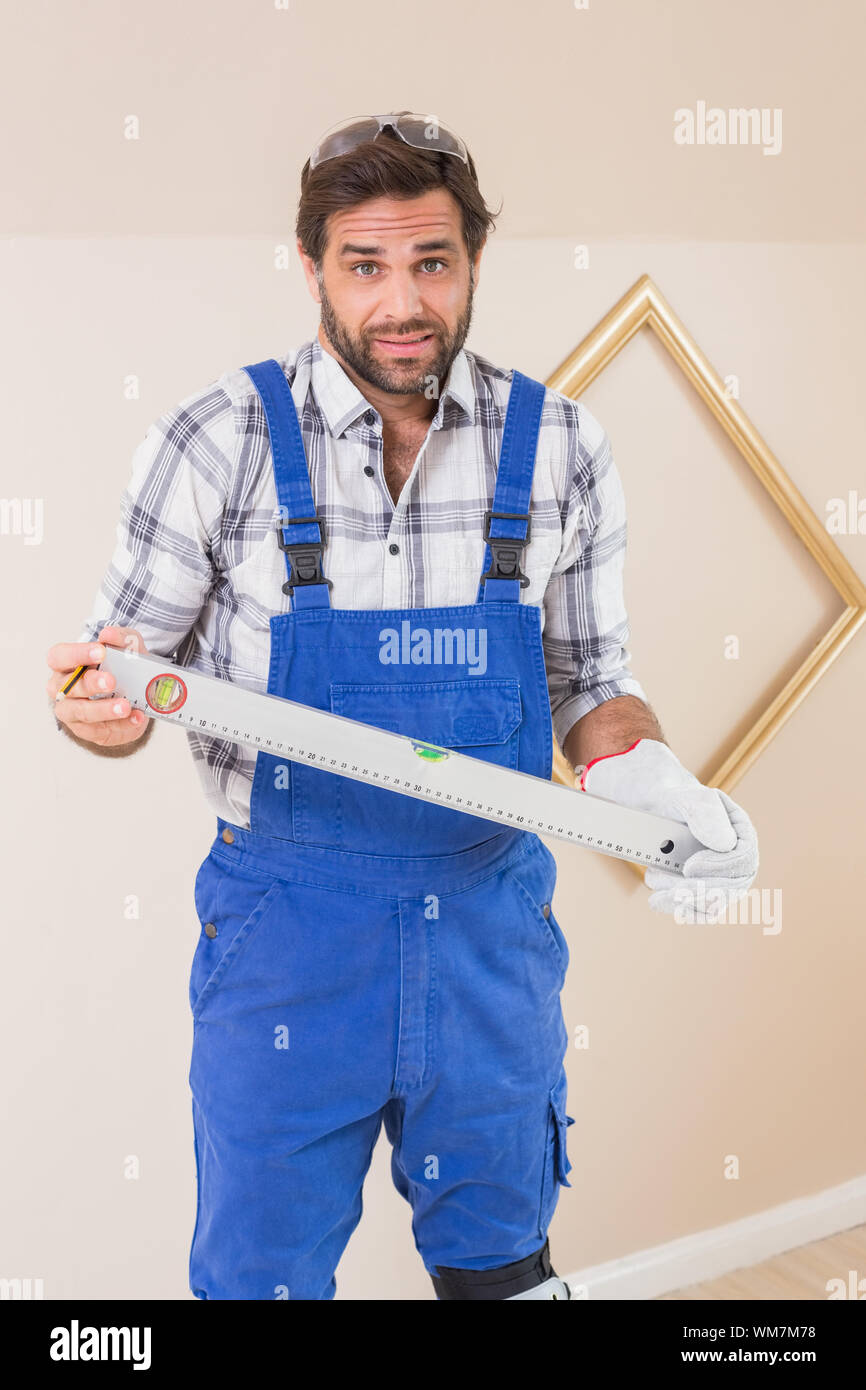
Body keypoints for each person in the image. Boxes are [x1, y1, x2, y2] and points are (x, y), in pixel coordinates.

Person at [46, 112, 758, 1301]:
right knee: (258, 1283)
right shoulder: (216, 441)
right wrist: (98, 705)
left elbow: (590, 685)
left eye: (431, 263)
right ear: (311, 263)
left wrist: (650, 782)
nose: (400, 303)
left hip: (487, 936)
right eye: (364, 266)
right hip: (284, 943)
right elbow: (109, 672)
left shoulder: (564, 448)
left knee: (503, 1273)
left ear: (473, 258)